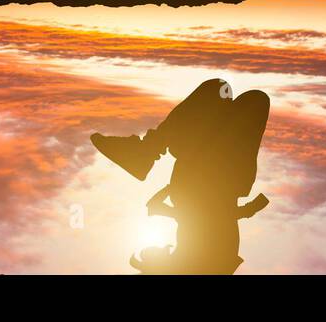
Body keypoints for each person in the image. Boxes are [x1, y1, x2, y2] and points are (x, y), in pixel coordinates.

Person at [91, 78, 271, 274]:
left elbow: (204, 220)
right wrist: (245, 210)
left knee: (228, 92)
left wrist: (169, 207)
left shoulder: (191, 258)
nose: (158, 249)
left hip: (206, 178)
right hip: (212, 179)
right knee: (238, 96)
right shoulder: (202, 264)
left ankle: (145, 152)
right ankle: (146, 152)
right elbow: (212, 221)